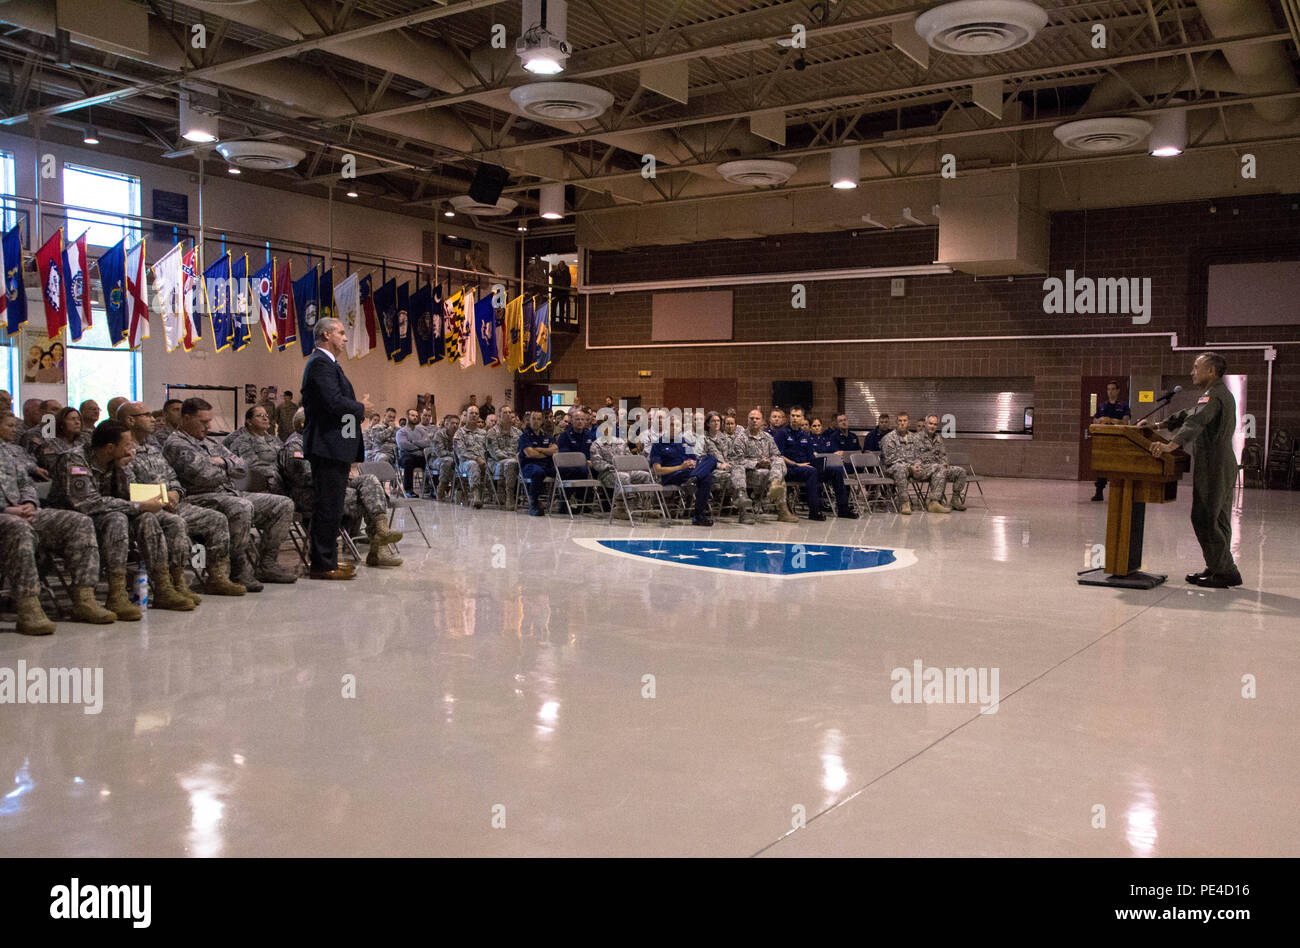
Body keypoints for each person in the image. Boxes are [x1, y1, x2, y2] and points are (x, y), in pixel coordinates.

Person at [48, 421, 197, 615]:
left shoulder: (114, 460)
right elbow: (87, 503)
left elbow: (127, 495)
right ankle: (116, 593)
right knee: (119, 518)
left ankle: (164, 586)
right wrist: (139, 505)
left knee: (155, 519)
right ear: (110, 448)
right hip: (75, 520)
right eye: (127, 444)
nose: (132, 448)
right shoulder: (74, 459)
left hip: (109, 516)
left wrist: (123, 468)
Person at [0, 411, 117, 634]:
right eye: (9, 425)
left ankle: (84, 597)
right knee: (18, 527)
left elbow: (26, 482)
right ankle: (28, 606)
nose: (15, 430)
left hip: (23, 510)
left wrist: (29, 503)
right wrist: (7, 509)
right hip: (7, 515)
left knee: (79, 522)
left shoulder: (8, 451)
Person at [165, 397, 298, 588]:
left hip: (228, 493)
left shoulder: (210, 442)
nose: (208, 426)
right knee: (241, 507)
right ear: (186, 418)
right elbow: (205, 476)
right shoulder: (177, 444)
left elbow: (242, 467)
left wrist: (223, 462)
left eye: (209, 421)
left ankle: (267, 564)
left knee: (283, 504)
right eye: (203, 422)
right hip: (198, 498)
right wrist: (226, 467)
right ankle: (238, 569)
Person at [119, 401, 247, 596]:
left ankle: (218, 577)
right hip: (144, 508)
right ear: (130, 420)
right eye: (146, 415)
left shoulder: (152, 449)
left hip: (170, 503)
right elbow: (128, 488)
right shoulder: (123, 452)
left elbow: (173, 478)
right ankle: (173, 583)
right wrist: (162, 498)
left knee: (216, 519)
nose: (153, 419)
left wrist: (175, 493)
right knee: (175, 522)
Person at [1142, 352, 1242, 588]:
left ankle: (1225, 570)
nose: (1192, 372)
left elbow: (1195, 422)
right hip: (1221, 461)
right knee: (1218, 519)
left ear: (1211, 371)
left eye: (1197, 367)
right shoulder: (1215, 394)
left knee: (1205, 516)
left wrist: (1170, 445)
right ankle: (1217, 566)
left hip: (1214, 463)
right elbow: (1189, 414)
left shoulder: (1214, 396)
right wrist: (1159, 424)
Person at [279, 408, 402, 569]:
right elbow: (306, 477)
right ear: (303, 424)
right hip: (310, 494)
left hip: (331, 487)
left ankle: (381, 528)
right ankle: (378, 549)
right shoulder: (295, 445)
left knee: (369, 481)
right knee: (364, 497)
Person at [299, 317, 372, 580]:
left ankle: (328, 558)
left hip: (335, 447)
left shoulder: (330, 365)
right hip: (326, 446)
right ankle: (321, 565)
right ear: (326, 334)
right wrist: (362, 408)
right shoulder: (319, 363)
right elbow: (333, 402)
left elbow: (339, 403)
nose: (345, 337)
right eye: (341, 332)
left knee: (333, 507)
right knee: (327, 507)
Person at [774, 407, 856, 521]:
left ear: (802, 418)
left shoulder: (805, 435)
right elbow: (778, 456)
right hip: (791, 469)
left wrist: (819, 464)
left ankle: (843, 509)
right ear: (789, 417)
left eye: (798, 416)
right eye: (793, 415)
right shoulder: (782, 433)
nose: (795, 418)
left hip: (807, 467)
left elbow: (811, 457)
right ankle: (814, 511)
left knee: (836, 471)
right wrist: (797, 464)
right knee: (811, 472)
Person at [651, 413, 717, 527]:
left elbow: (694, 460)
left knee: (710, 459)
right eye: (671, 425)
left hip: (688, 473)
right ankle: (698, 515)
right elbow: (658, 470)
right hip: (672, 475)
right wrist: (680, 467)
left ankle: (694, 478)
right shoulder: (658, 444)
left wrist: (693, 463)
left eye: (677, 426)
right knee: (706, 477)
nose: (674, 428)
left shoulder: (683, 442)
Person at [733, 409, 796, 522]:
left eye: (757, 418)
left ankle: (779, 497)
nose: (754, 421)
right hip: (749, 474)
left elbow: (776, 454)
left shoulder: (767, 437)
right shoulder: (741, 438)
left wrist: (768, 462)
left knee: (779, 461)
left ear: (762, 421)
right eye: (752, 418)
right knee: (738, 468)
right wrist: (757, 464)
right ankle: (745, 512)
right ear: (747, 420)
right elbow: (738, 460)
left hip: (768, 473)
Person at [223, 404, 284, 493]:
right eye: (260, 416)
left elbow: (285, 457)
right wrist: (278, 473)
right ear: (249, 422)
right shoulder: (242, 441)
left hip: (282, 481)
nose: (265, 418)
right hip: (261, 486)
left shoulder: (274, 439)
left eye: (266, 415)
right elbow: (252, 465)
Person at [916, 415, 967, 512]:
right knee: (938, 468)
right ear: (925, 424)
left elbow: (943, 455)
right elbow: (915, 458)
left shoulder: (938, 438)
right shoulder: (917, 438)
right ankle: (934, 502)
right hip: (923, 469)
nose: (933, 426)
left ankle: (955, 500)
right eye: (930, 423)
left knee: (961, 472)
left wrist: (944, 463)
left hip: (939, 468)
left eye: (935, 424)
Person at [1090, 380, 1131, 501]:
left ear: (1118, 391)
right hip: (1103, 440)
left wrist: (1111, 420)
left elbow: (1125, 421)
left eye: (1113, 389)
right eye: (1108, 389)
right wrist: (1100, 420)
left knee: (1118, 466)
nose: (1110, 392)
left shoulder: (1123, 406)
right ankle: (1099, 491)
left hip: (1118, 441)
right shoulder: (1102, 406)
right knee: (1101, 466)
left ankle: (1119, 492)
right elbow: (1095, 420)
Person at [518, 410, 557, 516]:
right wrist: (547, 453)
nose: (536, 421)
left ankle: (565, 503)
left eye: (539, 419)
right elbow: (530, 454)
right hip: (529, 466)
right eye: (533, 419)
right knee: (538, 472)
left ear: (542, 421)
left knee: (564, 471)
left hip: (546, 465)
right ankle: (533, 503)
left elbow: (555, 450)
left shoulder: (547, 436)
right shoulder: (524, 436)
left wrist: (539, 449)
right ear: (529, 420)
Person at [881, 413, 920, 515]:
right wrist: (910, 467)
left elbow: (919, 455)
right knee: (900, 468)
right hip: (892, 469)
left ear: (909, 422)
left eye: (905, 421)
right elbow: (890, 459)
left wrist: (917, 465)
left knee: (935, 467)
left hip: (912, 468)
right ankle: (905, 503)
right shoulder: (888, 438)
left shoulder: (914, 438)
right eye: (900, 421)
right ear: (896, 423)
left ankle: (935, 501)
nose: (902, 423)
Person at [452, 406, 489, 508]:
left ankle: (498, 495)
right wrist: (477, 458)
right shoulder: (460, 433)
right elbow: (461, 453)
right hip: (465, 463)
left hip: (484, 463)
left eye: (476, 414)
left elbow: (489, 450)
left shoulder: (484, 433)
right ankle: (475, 495)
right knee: (473, 464)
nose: (474, 415)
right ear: (466, 416)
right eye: (471, 413)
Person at [485, 408, 520, 511]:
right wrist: (511, 457)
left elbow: (521, 450)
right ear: (499, 416)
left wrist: (515, 457)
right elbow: (495, 453)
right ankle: (509, 495)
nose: (508, 414)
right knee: (511, 463)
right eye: (505, 412)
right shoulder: (492, 432)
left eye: (510, 412)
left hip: (514, 462)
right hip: (495, 463)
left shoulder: (517, 432)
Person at [395, 408, 432, 497]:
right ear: (407, 417)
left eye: (416, 416)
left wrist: (413, 442)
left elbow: (427, 443)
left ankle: (433, 488)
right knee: (408, 461)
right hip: (406, 456)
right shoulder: (401, 432)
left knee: (432, 460)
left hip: (420, 456)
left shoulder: (421, 431)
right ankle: (408, 490)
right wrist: (419, 446)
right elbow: (404, 445)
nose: (415, 417)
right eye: (412, 415)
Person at [36, 406, 82, 472]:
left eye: (79, 419)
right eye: (72, 419)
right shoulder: (49, 444)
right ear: (61, 424)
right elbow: (56, 468)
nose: (77, 422)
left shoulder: (81, 443)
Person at [428, 414, 459, 502]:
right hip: (435, 460)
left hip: (452, 460)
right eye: (453, 423)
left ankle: (459, 491)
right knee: (448, 461)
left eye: (457, 424)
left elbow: (461, 451)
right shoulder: (439, 434)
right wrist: (454, 455)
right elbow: (440, 453)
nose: (455, 426)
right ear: (446, 424)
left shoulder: (458, 435)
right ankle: (441, 489)